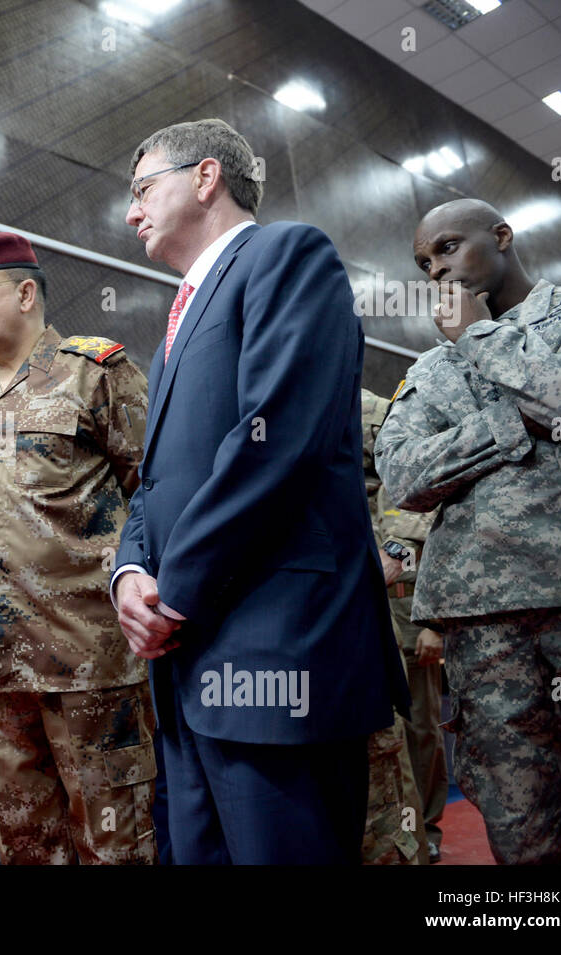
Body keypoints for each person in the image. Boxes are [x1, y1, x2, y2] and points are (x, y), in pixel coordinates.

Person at [113, 118, 409, 864]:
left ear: (206, 177)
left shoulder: (285, 255)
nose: (131, 211)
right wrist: (129, 572)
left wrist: (172, 592)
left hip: (273, 655)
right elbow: (153, 483)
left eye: (143, 188)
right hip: (185, 665)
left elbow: (277, 439)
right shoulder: (175, 324)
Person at [375, 198, 561, 864]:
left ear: (502, 236)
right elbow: (404, 473)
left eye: (448, 248)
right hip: (483, 623)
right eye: (425, 263)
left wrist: (481, 337)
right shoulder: (428, 369)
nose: (437, 271)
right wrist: (512, 425)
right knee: (524, 827)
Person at [0, 231, 156, 865]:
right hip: (1, 668)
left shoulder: (95, 371)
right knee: (28, 844)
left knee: (113, 842)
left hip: (89, 657)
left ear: (27, 292)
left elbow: (155, 489)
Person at [364, 389, 448, 862]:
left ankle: (426, 831)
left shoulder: (372, 413)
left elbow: (421, 495)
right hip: (356, 608)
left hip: (406, 604)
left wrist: (435, 621)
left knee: (419, 725)